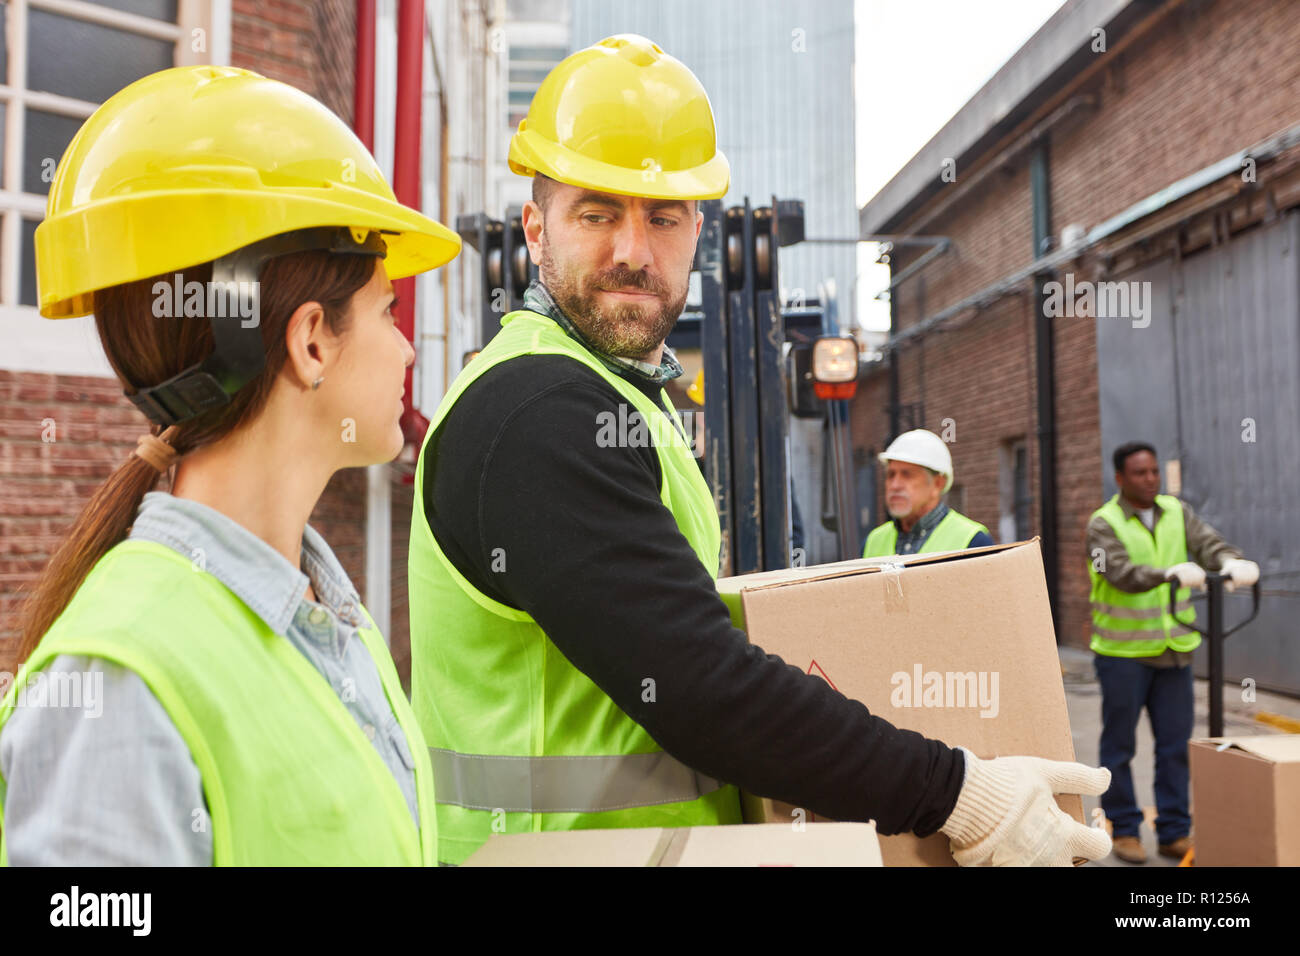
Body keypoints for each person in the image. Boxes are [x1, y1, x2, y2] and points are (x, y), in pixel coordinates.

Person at [408, 34, 1112, 867]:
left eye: (662, 217)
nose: (634, 250)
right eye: (597, 213)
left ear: (698, 233)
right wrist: (960, 792)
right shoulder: (539, 411)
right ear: (536, 229)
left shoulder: (620, 400)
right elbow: (701, 686)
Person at [0, 65, 461, 865]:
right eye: (388, 312)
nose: (406, 348)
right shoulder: (118, 687)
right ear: (311, 340)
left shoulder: (332, 618)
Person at [1087, 441, 1259, 864]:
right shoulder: (1102, 524)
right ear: (1121, 478)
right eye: (1140, 474)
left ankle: (1173, 832)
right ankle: (1124, 829)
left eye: (1154, 472)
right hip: (1122, 655)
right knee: (1119, 747)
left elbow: (1209, 543)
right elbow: (1117, 572)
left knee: (1175, 747)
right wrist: (1167, 573)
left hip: (1174, 651)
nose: (1150, 480)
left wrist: (1232, 562)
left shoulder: (1176, 512)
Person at [862, 430, 993, 558]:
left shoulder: (974, 541)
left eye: (907, 475)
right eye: (891, 475)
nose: (894, 485)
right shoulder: (872, 541)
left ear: (938, 484)